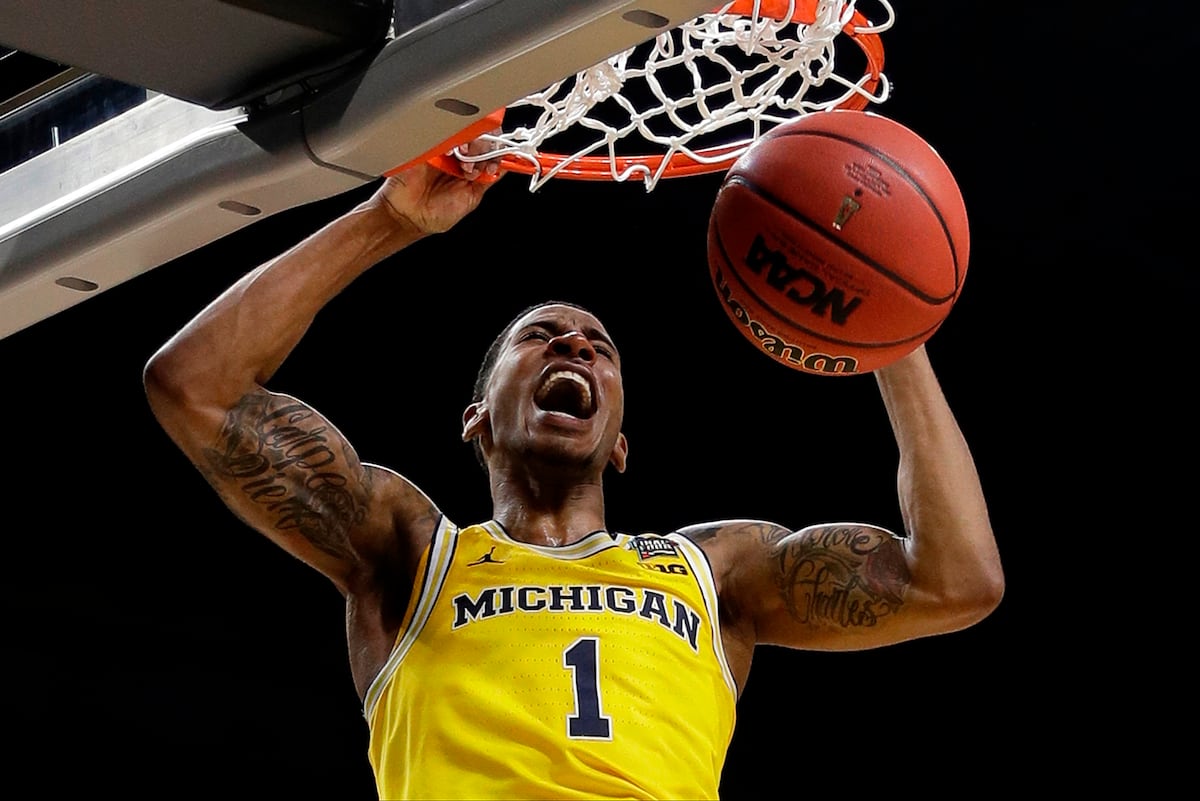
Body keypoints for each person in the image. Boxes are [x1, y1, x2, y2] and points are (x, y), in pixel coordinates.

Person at [143, 141, 1004, 800]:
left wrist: (892, 321)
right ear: (478, 418)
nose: (576, 346)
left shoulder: (713, 573)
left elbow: (955, 580)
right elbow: (196, 387)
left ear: (620, 443)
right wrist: (389, 220)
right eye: (541, 336)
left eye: (600, 346)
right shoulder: (410, 552)